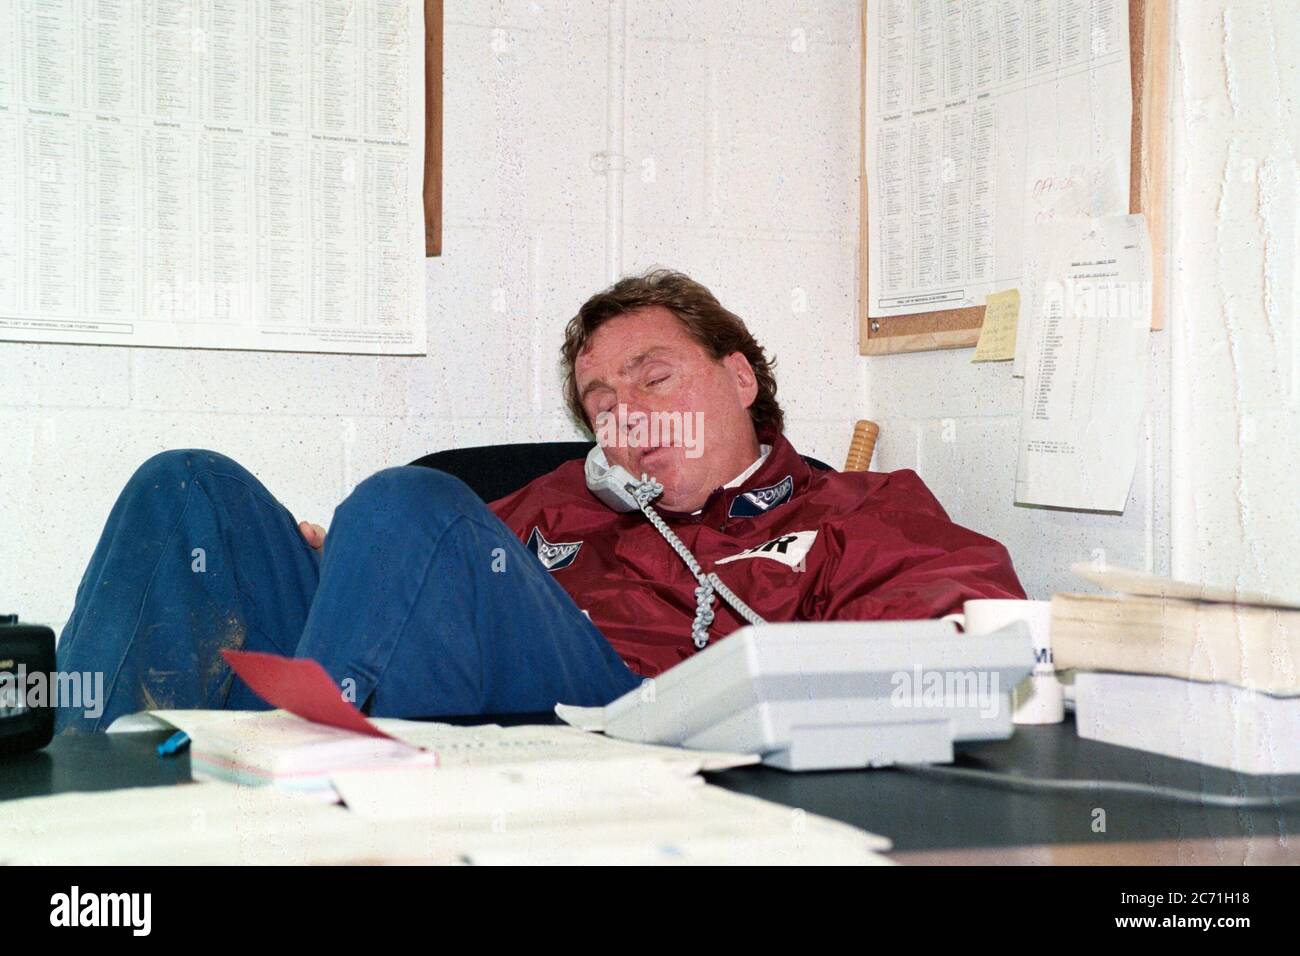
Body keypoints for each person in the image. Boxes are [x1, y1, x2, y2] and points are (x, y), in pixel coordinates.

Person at [55, 270, 1025, 733]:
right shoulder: (558, 503)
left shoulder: (852, 506)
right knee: (191, 485)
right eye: (601, 400)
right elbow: (412, 590)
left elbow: (970, 633)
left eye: (654, 377)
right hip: (455, 707)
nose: (625, 413)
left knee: (405, 504)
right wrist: (334, 556)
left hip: (629, 724)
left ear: (738, 378)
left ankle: (299, 814)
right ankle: (66, 820)